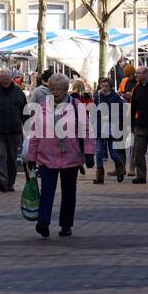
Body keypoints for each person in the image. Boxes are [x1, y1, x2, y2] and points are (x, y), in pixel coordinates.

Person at [22, 73, 95, 238]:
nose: (55, 92)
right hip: (47, 157)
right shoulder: (42, 107)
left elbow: (87, 130)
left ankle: (66, 225)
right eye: (52, 89)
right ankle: (43, 222)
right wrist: (31, 157)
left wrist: (89, 153)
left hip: (71, 156)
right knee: (47, 190)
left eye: (58, 89)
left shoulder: (76, 106)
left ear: (65, 89)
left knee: (69, 192)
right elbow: (35, 133)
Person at [0, 68, 27, 191]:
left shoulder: (19, 92)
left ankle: (10, 182)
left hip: (14, 131)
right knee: (1, 154)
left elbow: (24, 112)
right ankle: (2, 180)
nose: (5, 81)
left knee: (12, 158)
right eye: (2, 79)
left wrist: (28, 127)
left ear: (11, 79)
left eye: (7, 79)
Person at [93, 76, 127, 183]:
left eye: (106, 86)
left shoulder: (115, 97)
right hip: (100, 127)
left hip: (112, 127)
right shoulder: (97, 96)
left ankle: (119, 167)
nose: (104, 88)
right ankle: (99, 176)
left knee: (113, 153)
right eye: (102, 86)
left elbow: (121, 112)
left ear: (110, 87)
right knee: (99, 152)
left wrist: (110, 116)